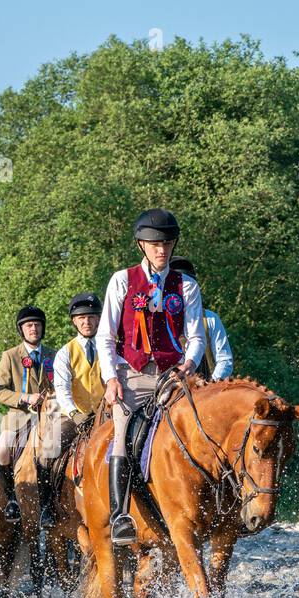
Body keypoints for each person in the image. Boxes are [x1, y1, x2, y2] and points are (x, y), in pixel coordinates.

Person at [95, 208, 205, 545]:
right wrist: (111, 378)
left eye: (167, 243)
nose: (162, 249)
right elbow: (105, 336)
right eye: (155, 244)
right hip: (133, 377)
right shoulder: (123, 280)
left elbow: (196, 336)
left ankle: (206, 507)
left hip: (173, 378)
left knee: (199, 430)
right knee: (124, 435)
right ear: (142, 245)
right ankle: (119, 516)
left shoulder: (186, 286)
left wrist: (190, 363)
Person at [38, 292, 105, 527]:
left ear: (99, 319)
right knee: (48, 449)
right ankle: (46, 507)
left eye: (91, 317)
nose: (87, 322)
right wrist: (75, 413)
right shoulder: (65, 353)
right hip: (74, 416)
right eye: (81, 318)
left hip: (107, 416)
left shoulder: (111, 348)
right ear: (74, 322)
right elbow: (62, 388)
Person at [0, 306, 54, 523]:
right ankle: (11, 500)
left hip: (50, 416)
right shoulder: (10, 356)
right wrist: (25, 398)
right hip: (19, 416)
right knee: (2, 451)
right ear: (22, 330)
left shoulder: (53, 355)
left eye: (37, 325)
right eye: (29, 326)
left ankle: (50, 503)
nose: (34, 329)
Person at [169, 257, 233, 380]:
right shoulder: (158, 320)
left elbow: (225, 361)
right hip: (170, 385)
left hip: (207, 386)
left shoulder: (210, 319)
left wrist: (210, 386)